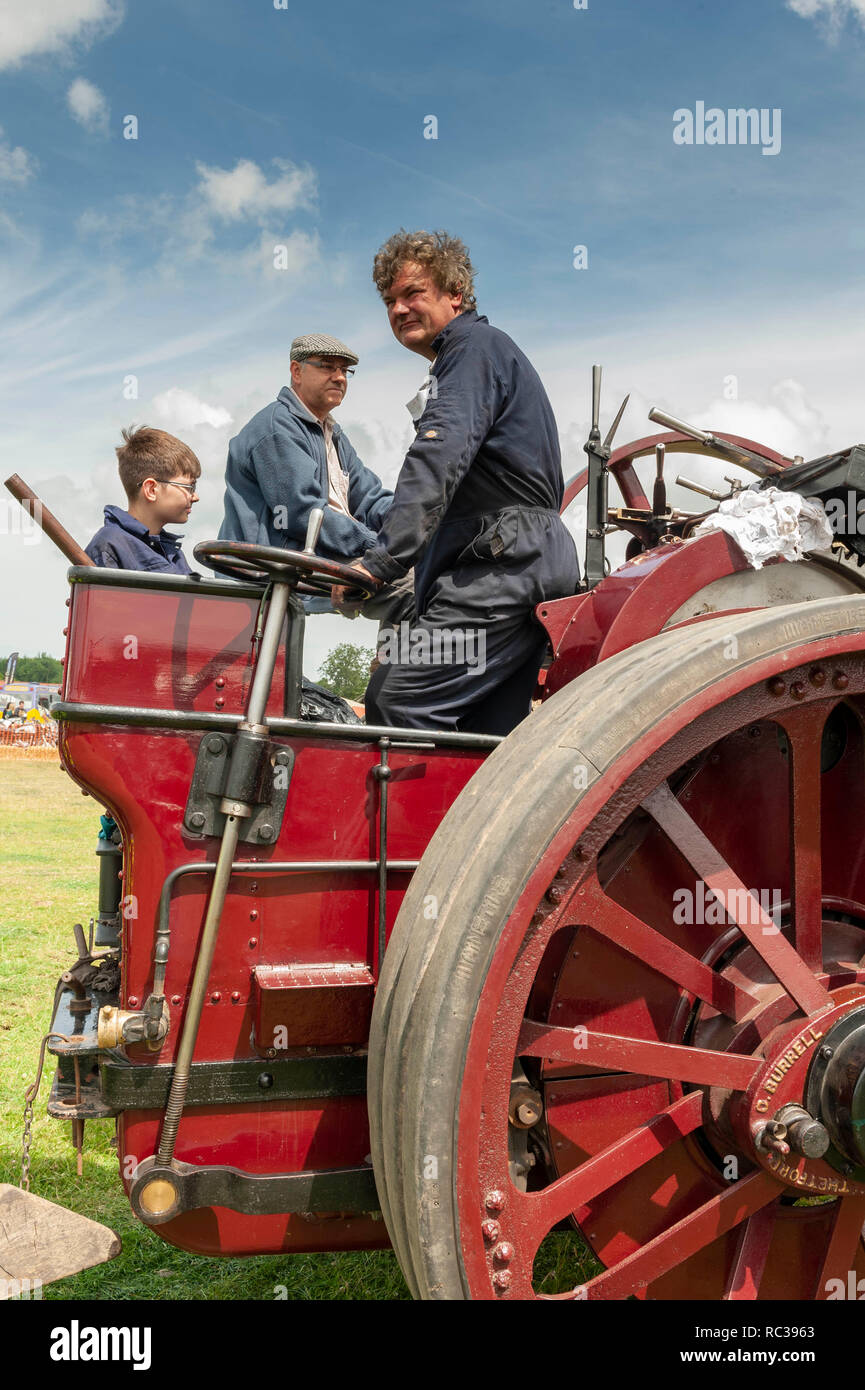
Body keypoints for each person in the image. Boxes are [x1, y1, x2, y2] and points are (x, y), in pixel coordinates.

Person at [332, 230, 579, 735]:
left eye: (413, 294)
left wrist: (380, 562)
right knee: (486, 728)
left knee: (397, 697)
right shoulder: (469, 357)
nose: (399, 309)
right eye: (390, 301)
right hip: (510, 562)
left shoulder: (472, 350)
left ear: (456, 294)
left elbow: (437, 456)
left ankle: (408, 817)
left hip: (504, 567)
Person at [218, 334, 413, 622]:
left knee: (430, 569)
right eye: (327, 367)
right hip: (275, 566)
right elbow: (302, 513)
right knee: (415, 586)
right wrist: (379, 548)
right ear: (296, 371)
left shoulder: (332, 434)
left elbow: (369, 499)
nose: (339, 377)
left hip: (318, 557)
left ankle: (391, 662)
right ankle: (397, 665)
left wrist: (411, 524)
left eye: (345, 370)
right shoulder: (277, 429)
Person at [85, 426, 199, 573]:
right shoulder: (110, 544)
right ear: (151, 490)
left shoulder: (174, 554)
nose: (195, 497)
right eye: (189, 487)